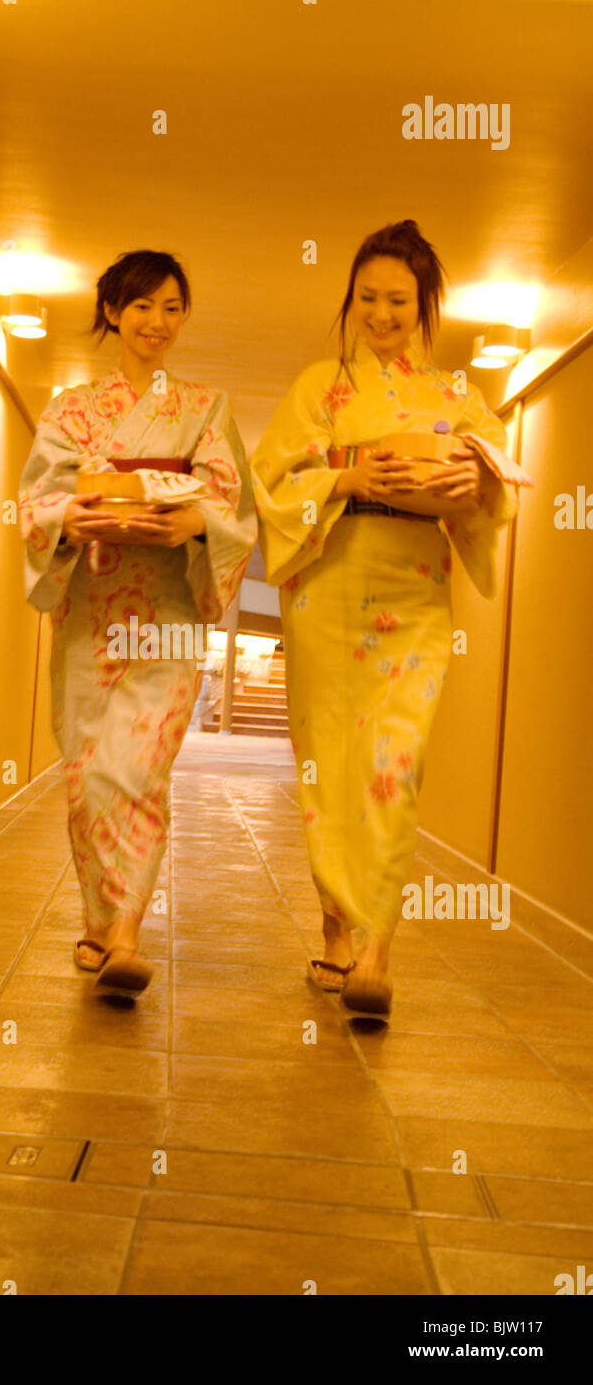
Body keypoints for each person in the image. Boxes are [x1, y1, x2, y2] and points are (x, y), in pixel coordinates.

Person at [250, 220, 524, 1017]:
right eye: (366, 297)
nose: (380, 312)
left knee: (392, 765)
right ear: (350, 300)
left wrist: (465, 483)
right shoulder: (317, 387)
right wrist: (347, 471)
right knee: (328, 760)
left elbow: (496, 482)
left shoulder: (457, 397)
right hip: (329, 583)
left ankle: (376, 946)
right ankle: (334, 931)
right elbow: (273, 477)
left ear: (424, 305)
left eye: (397, 299)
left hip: (413, 587)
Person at [19, 250, 255, 995]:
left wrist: (190, 521)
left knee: (139, 767)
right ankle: (98, 922)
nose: (157, 321)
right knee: (89, 772)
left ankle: (124, 933)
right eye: (142, 305)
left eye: (173, 307)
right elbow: (36, 502)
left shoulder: (207, 408)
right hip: (92, 609)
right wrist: (73, 514)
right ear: (112, 312)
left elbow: (231, 508)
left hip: (169, 610)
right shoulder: (68, 409)